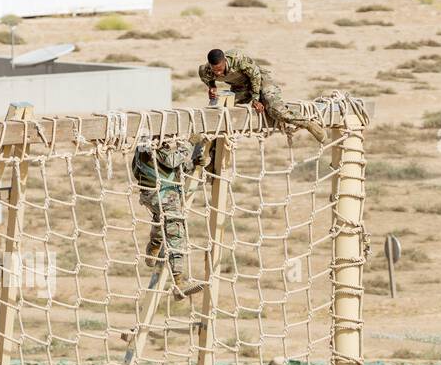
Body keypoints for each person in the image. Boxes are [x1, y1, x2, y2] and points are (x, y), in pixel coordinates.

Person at [131, 135, 210, 297]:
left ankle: (153, 249)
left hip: (156, 195)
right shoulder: (148, 146)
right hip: (162, 195)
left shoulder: (150, 148)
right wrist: (190, 142)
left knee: (160, 222)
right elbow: (172, 161)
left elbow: (171, 171)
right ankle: (178, 283)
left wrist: (193, 164)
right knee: (175, 232)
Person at [198, 47, 325, 144]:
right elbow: (204, 76)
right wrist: (212, 86)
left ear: (225, 61)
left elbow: (255, 76)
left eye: (220, 69)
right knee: (218, 112)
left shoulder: (238, 58)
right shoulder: (207, 70)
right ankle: (207, 153)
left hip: (261, 81)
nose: (218, 73)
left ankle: (308, 124)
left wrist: (255, 99)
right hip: (241, 88)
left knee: (275, 111)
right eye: (215, 70)